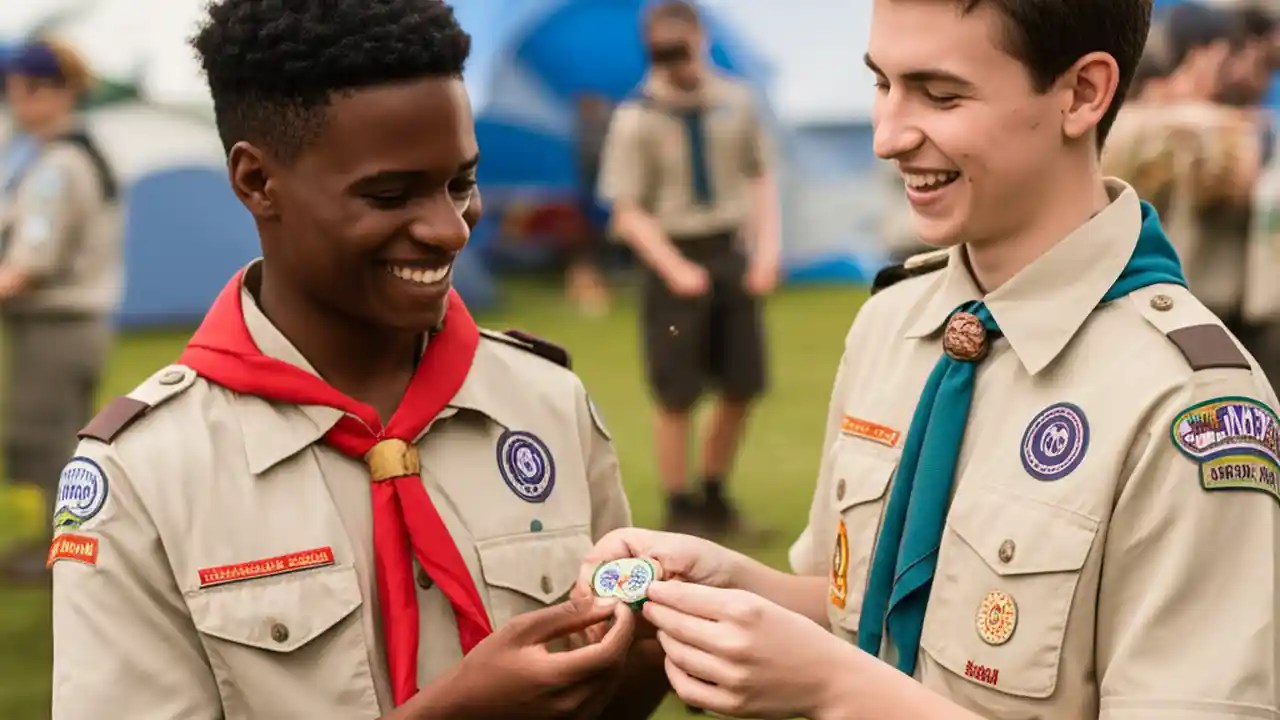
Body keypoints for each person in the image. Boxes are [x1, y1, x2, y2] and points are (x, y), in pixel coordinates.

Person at [578, 0, 1280, 717]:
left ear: (1082, 93)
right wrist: (734, 586)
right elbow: (861, 609)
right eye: (882, 84)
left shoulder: (1186, 405)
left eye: (941, 95)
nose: (886, 136)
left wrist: (835, 689)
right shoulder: (895, 323)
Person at [49, 2, 670, 718]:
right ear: (256, 182)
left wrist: (647, 662)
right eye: (388, 195)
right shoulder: (146, 476)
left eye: (461, 184)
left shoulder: (546, 403)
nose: (448, 230)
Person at [597, 0, 781, 536]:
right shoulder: (636, 117)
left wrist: (766, 250)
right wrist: (672, 266)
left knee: (742, 383)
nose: (675, 59)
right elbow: (626, 209)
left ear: (700, 38)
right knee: (676, 391)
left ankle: (715, 494)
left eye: (682, 44)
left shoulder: (735, 101)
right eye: (663, 48)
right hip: (672, 254)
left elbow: (760, 176)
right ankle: (680, 507)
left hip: (729, 251)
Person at [0, 38, 124, 579]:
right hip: (68, 327)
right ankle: (73, 554)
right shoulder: (68, 151)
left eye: (25, 91)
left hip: (55, 327)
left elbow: (31, 263)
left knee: (51, 450)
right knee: (62, 448)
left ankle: (65, 565)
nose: (16, 103)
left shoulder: (59, 164)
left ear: (56, 93)